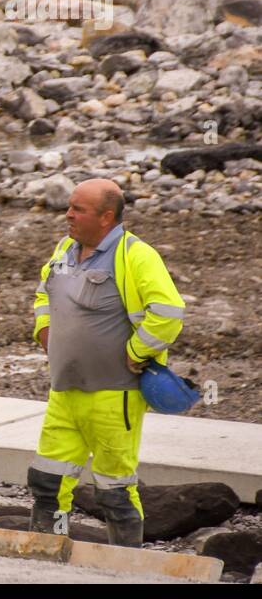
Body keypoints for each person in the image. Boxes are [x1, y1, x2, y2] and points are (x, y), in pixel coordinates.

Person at [28, 177, 185, 546]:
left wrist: (136, 352)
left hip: (115, 397)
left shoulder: (135, 256)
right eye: (69, 206)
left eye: (77, 209)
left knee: (114, 492)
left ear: (106, 217)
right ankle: (51, 554)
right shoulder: (65, 249)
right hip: (64, 392)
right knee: (47, 482)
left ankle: (127, 565)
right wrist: (43, 328)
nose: (67, 214)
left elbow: (168, 313)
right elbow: (43, 293)